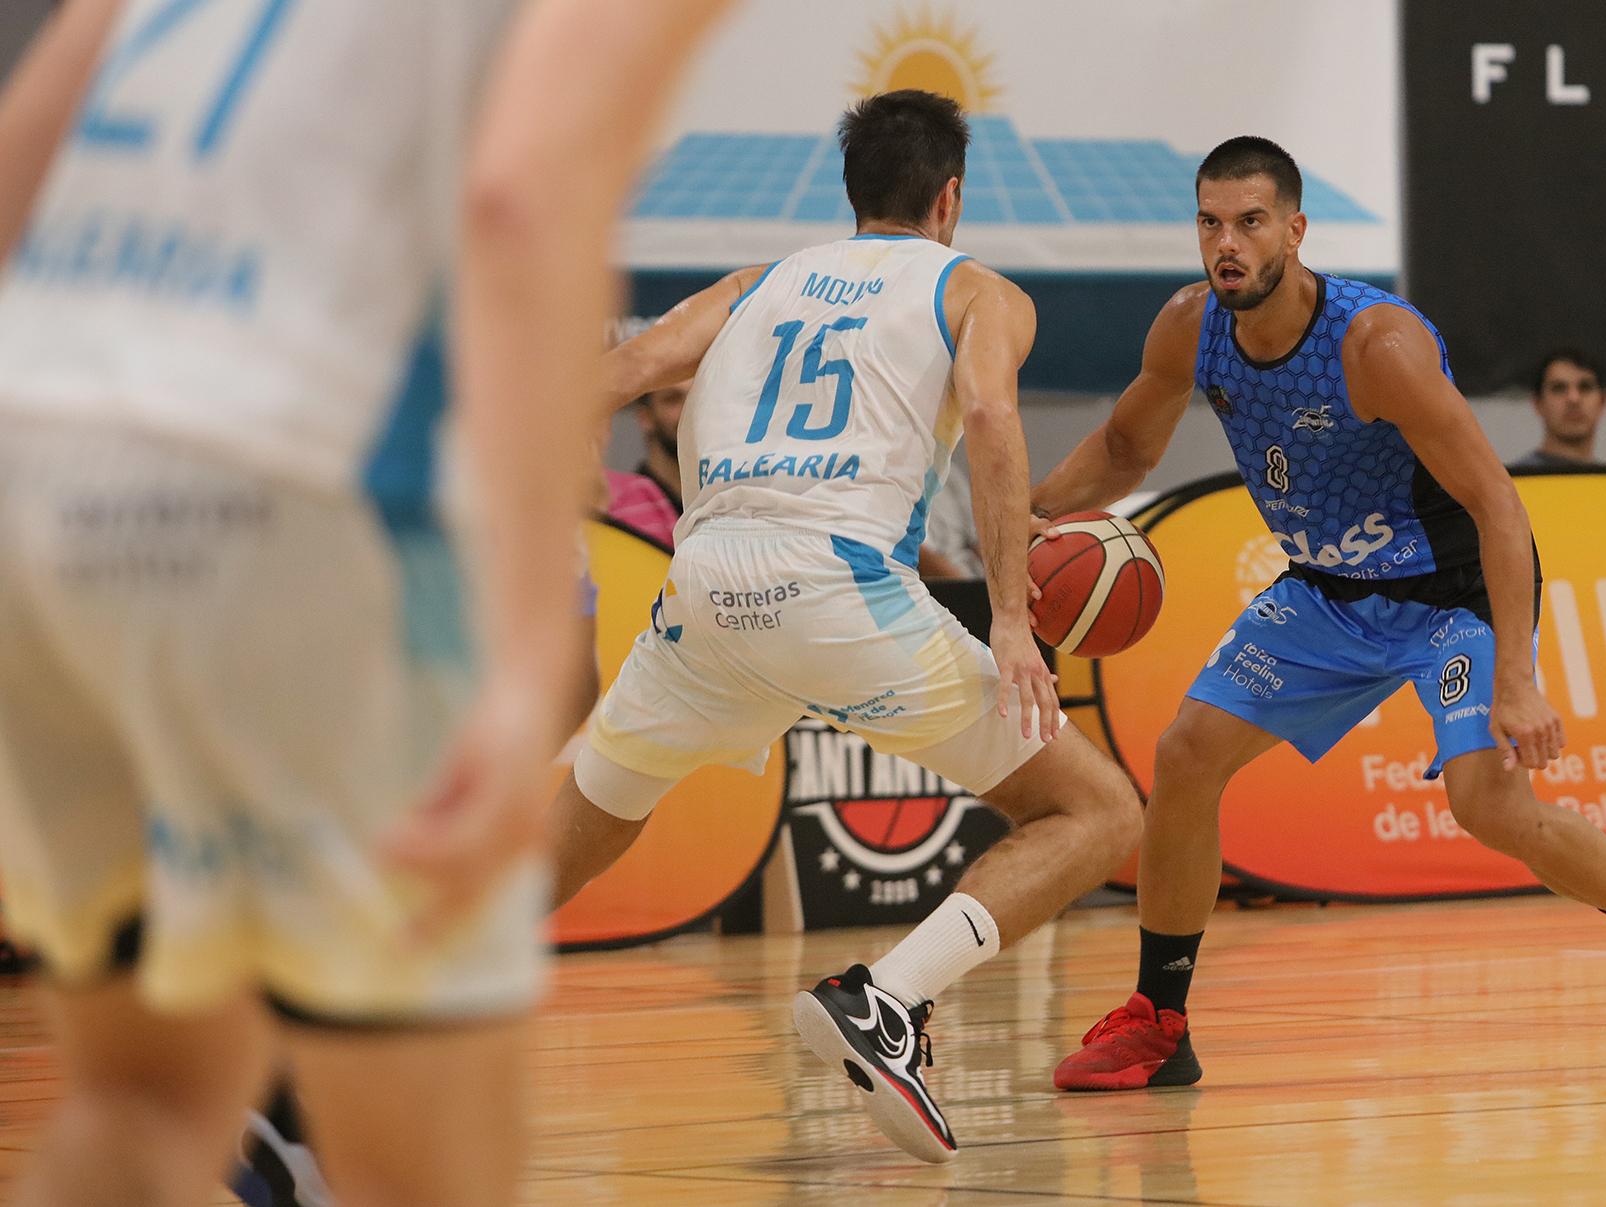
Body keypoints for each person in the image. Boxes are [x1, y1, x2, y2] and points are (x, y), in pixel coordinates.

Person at [0, 3, 728, 1205]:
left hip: (38, 468)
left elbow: (24, 148)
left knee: (139, 1108)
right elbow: (523, 192)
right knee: (422, 1178)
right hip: (299, 488)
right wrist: (525, 654)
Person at [1027, 136, 1606, 1092]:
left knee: (1485, 803)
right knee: (1183, 755)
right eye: (1209, 223)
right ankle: (1160, 1020)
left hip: (1446, 591)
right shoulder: (1189, 327)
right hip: (1324, 589)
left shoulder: (1376, 347)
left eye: (1248, 222)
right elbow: (1125, 447)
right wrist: (1028, 515)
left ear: (1294, 227)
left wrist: (1518, 675)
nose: (1226, 245)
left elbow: (1499, 503)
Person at [547, 89, 1141, 1163]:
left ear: (851, 192)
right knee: (1094, 812)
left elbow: (618, 373)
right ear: (949, 196)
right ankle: (888, 998)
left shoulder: (755, 284)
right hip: (836, 587)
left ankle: (396, 995)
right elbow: (995, 421)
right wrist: (1010, 617)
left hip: (706, 583)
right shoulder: (978, 292)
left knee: (584, 822)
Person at [602, 380, 688, 547]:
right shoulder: (620, 507)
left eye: (697, 397)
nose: (690, 409)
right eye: (672, 399)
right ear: (645, 418)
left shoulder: (725, 500)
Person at [1512, 348, 1606, 469]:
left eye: (1585, 387)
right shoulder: (1515, 483)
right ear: (1538, 404)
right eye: (1559, 388)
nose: (1573, 399)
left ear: (1603, 402)